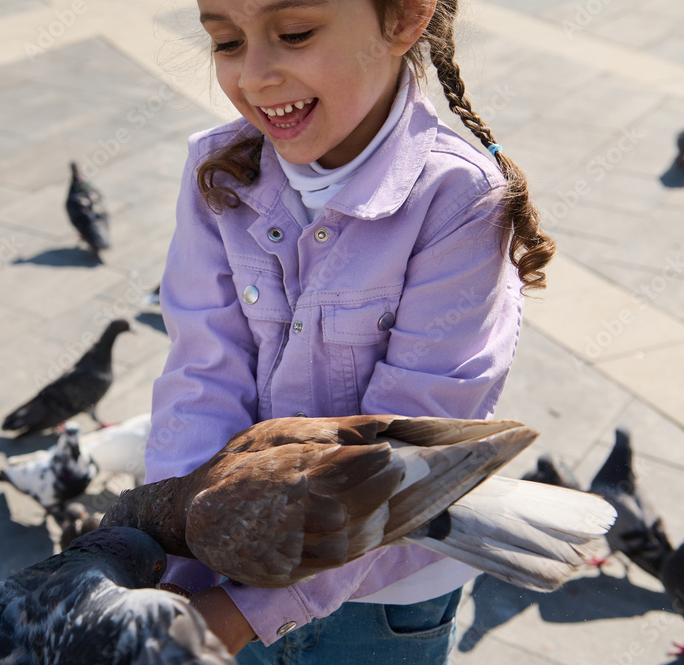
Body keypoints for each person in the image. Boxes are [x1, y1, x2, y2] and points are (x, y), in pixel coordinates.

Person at [145, 0, 556, 662]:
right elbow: (200, 375)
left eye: (294, 33)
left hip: (382, 595)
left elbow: (408, 448)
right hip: (230, 560)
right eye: (226, 42)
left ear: (405, 18)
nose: (254, 76)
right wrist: (177, 565)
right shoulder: (217, 172)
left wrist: (248, 608)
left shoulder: (459, 200)